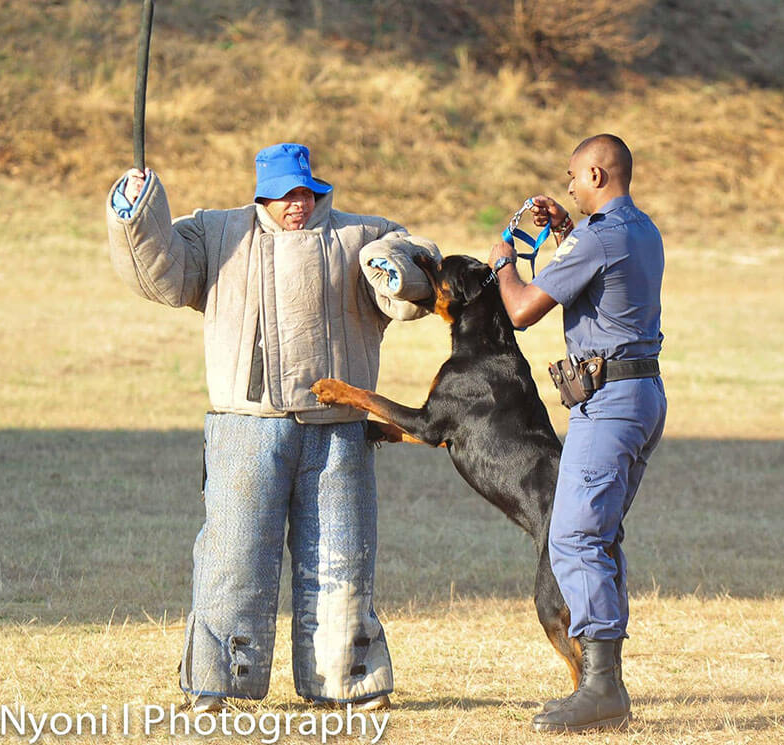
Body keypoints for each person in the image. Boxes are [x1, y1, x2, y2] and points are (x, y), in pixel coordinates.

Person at [106, 143, 437, 713]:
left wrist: (397, 265)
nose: (297, 204)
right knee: (233, 558)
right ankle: (214, 685)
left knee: (342, 557)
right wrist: (137, 209)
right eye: (285, 194)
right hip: (246, 425)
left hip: (337, 427)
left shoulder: (363, 236)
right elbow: (162, 275)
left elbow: (414, 270)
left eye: (306, 192)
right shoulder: (216, 233)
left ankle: (348, 682)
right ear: (262, 194)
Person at [487, 134, 667, 733]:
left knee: (573, 539)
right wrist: (565, 232)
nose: (566, 186)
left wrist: (503, 264)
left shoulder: (601, 236)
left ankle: (600, 688)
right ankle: (603, 682)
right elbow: (598, 286)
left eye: (571, 177)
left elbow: (521, 310)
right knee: (599, 535)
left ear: (596, 172)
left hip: (608, 404)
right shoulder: (640, 230)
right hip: (640, 396)